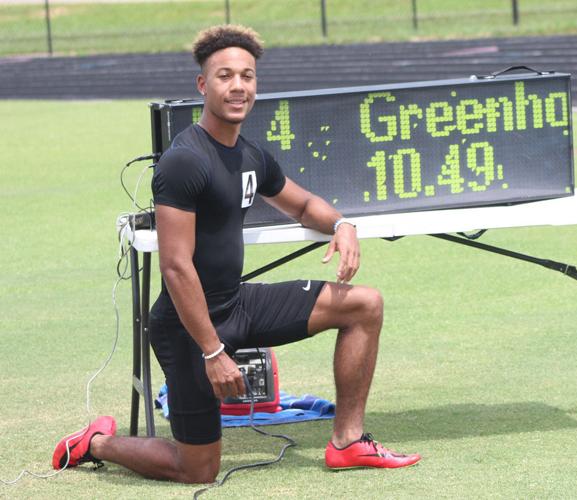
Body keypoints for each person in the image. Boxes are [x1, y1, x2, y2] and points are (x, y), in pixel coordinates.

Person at [51, 24, 420, 483]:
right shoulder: (185, 160)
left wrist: (341, 225)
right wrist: (213, 351)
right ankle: (95, 442)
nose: (238, 86)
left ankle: (347, 442)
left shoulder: (250, 154)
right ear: (203, 85)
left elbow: (302, 204)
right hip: (189, 328)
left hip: (236, 303)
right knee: (197, 469)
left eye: (247, 76)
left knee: (364, 304)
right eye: (225, 76)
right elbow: (174, 265)